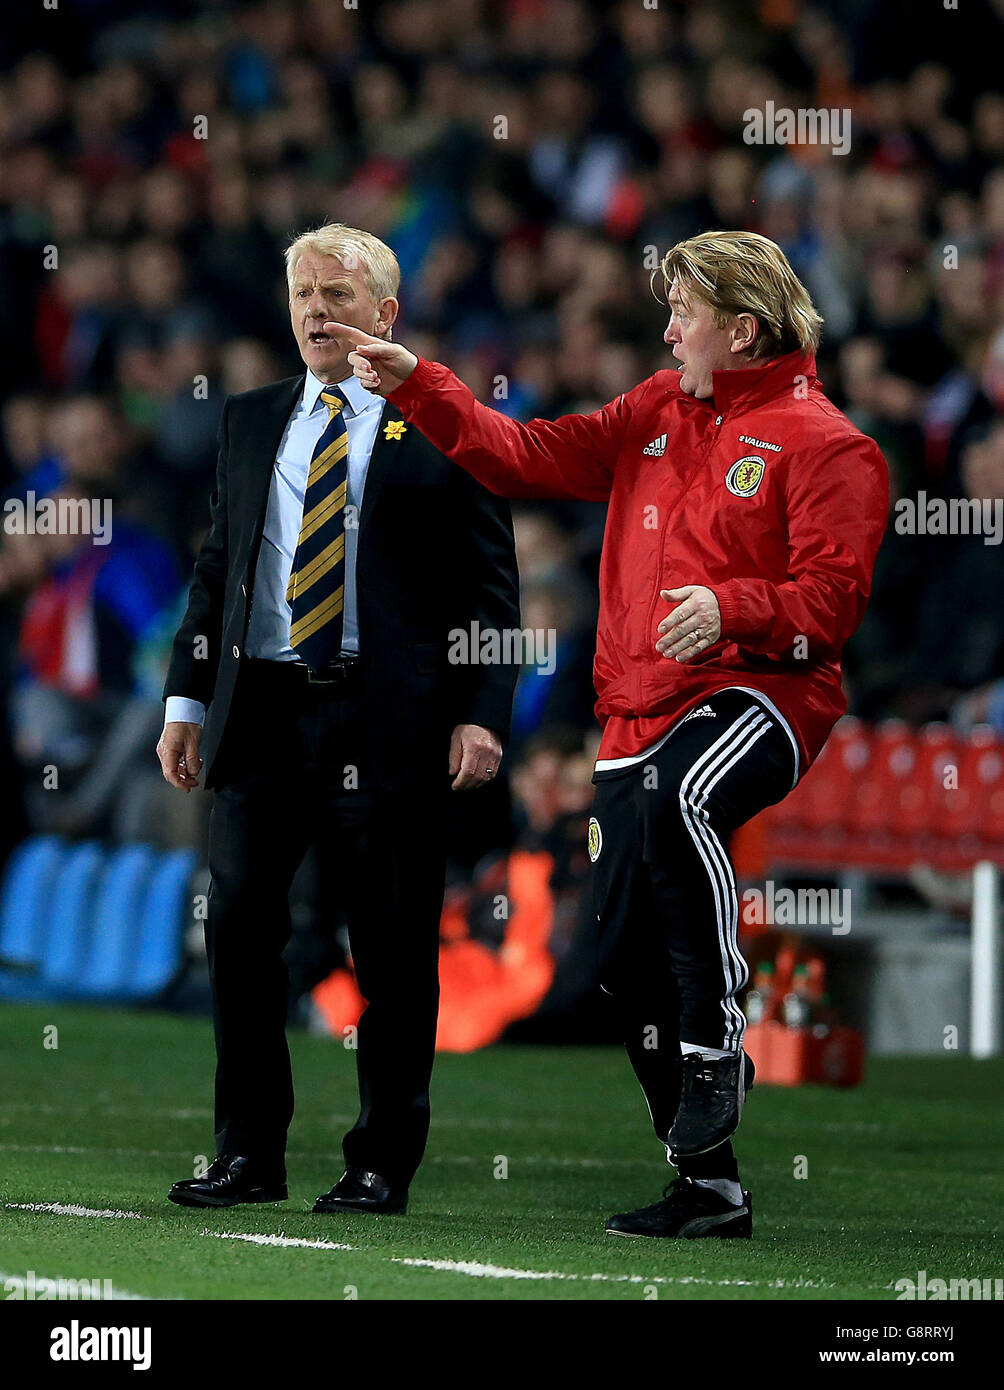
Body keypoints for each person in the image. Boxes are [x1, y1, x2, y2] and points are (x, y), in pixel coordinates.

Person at [330, 230, 888, 1239]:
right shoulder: (652, 412)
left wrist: (730, 609)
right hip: (633, 707)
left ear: (742, 326)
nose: (667, 330)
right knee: (621, 965)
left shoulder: (827, 447)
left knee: (681, 796)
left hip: (759, 695)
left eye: (683, 312)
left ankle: (719, 1039)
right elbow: (523, 456)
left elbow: (830, 604)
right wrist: (424, 384)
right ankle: (705, 1179)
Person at [156, 223, 519, 1215]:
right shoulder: (248, 418)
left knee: (391, 946)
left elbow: (495, 590)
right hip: (262, 708)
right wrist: (188, 698)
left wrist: (482, 714)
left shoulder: (443, 421)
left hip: (386, 715)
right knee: (237, 928)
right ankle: (246, 1154)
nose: (316, 313)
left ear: (385, 314)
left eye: (337, 296)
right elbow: (217, 572)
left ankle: (378, 1162)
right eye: (303, 296)